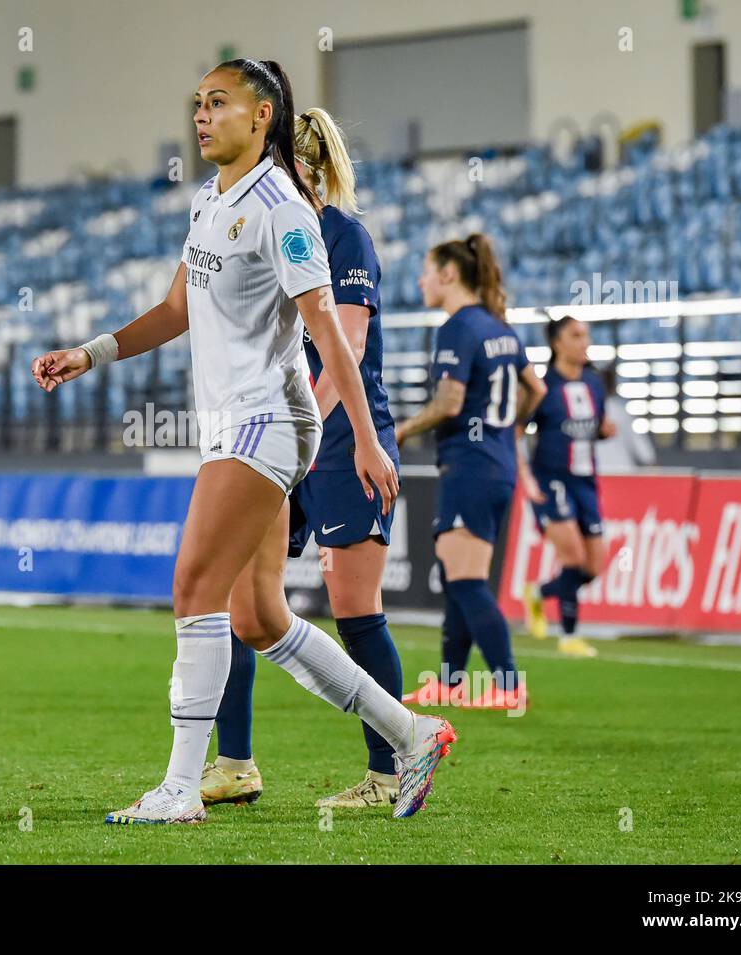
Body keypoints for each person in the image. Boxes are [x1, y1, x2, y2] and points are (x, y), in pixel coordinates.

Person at [31, 58, 454, 824]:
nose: (201, 116)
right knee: (259, 617)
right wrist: (88, 353)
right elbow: (174, 307)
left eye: (218, 103)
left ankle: (180, 788)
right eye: (197, 104)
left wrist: (364, 437)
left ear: (262, 117)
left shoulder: (284, 208)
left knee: (194, 587)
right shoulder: (207, 200)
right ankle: (410, 731)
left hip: (271, 419)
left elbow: (328, 327)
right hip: (235, 424)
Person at [201, 106, 407, 811]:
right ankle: (234, 762)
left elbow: (339, 351)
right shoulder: (272, 230)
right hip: (284, 432)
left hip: (342, 435)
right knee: (240, 600)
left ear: (302, 166)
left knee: (355, 608)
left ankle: (390, 770)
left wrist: (294, 437)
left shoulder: (344, 236)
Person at [395, 234, 545, 710]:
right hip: (495, 465)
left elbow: (450, 402)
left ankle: (508, 686)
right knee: (459, 572)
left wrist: (398, 432)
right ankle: (450, 683)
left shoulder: (459, 327)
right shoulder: (499, 328)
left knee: (463, 582)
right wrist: (510, 431)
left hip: (470, 467)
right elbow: (536, 389)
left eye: (426, 270)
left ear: (449, 274)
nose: (420, 280)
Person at [518, 315, 616, 656]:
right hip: (551, 480)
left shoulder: (595, 384)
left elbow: (595, 427)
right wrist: (526, 478)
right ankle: (570, 636)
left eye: (586, 334)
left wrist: (603, 432)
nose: (584, 341)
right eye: (576, 335)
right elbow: (516, 431)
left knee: (593, 566)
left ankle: (539, 594)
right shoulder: (543, 388)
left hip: (586, 481)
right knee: (572, 557)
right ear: (557, 343)